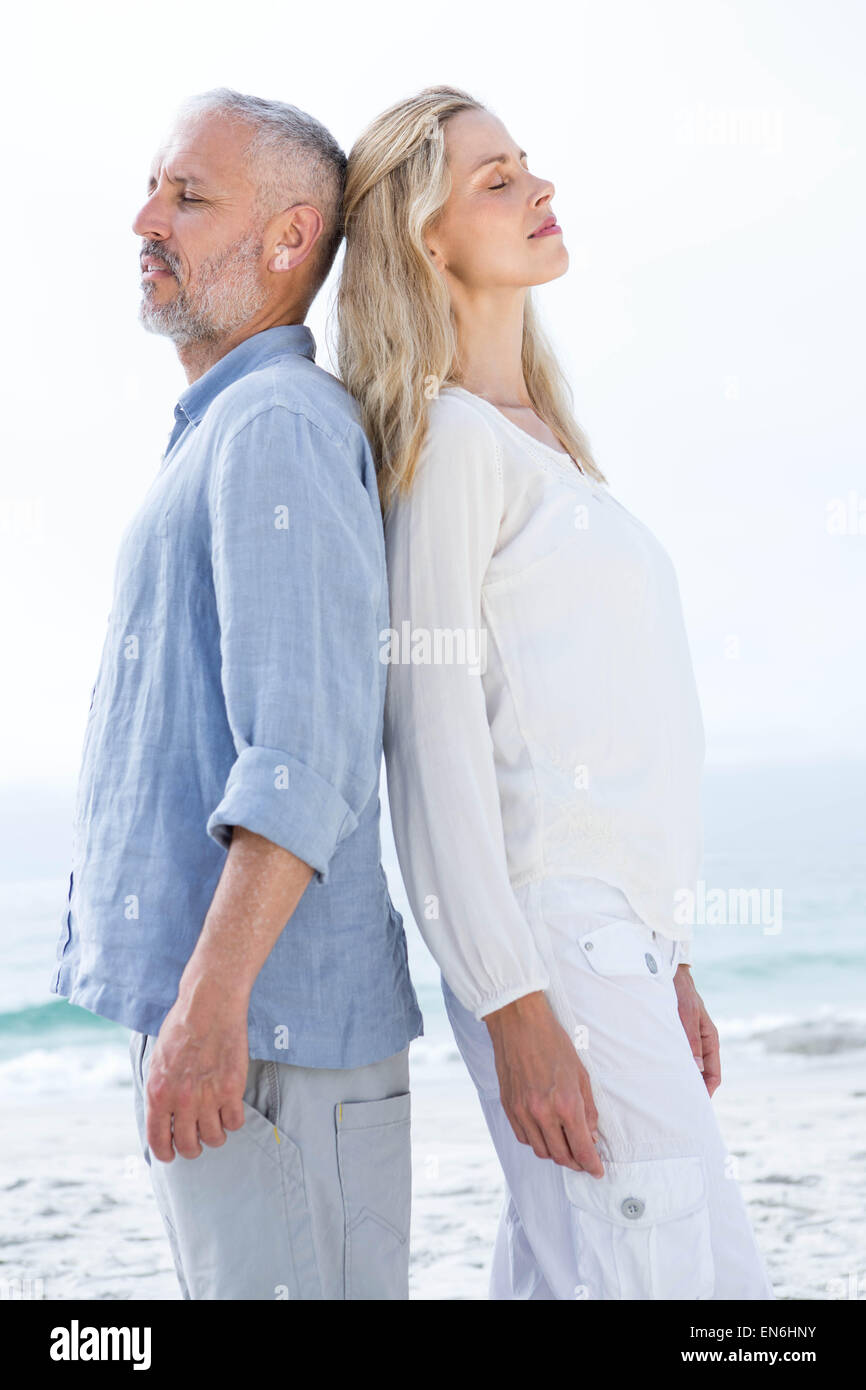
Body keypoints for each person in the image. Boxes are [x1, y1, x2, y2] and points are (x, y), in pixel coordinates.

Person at [336, 85, 774, 1300]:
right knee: (684, 1283)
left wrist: (672, 958)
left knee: (588, 1267)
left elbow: (605, 722)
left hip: (612, 948)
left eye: (528, 166)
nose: (538, 190)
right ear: (427, 239)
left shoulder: (547, 443)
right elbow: (429, 752)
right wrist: (514, 1004)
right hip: (552, 951)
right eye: (495, 178)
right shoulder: (450, 442)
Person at [50, 87, 422, 1301]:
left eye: (188, 195)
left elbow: (302, 752)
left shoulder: (273, 424)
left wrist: (208, 1009)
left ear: (288, 238)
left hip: (264, 1036)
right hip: (238, 1031)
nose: (145, 216)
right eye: (155, 186)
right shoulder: (224, 428)